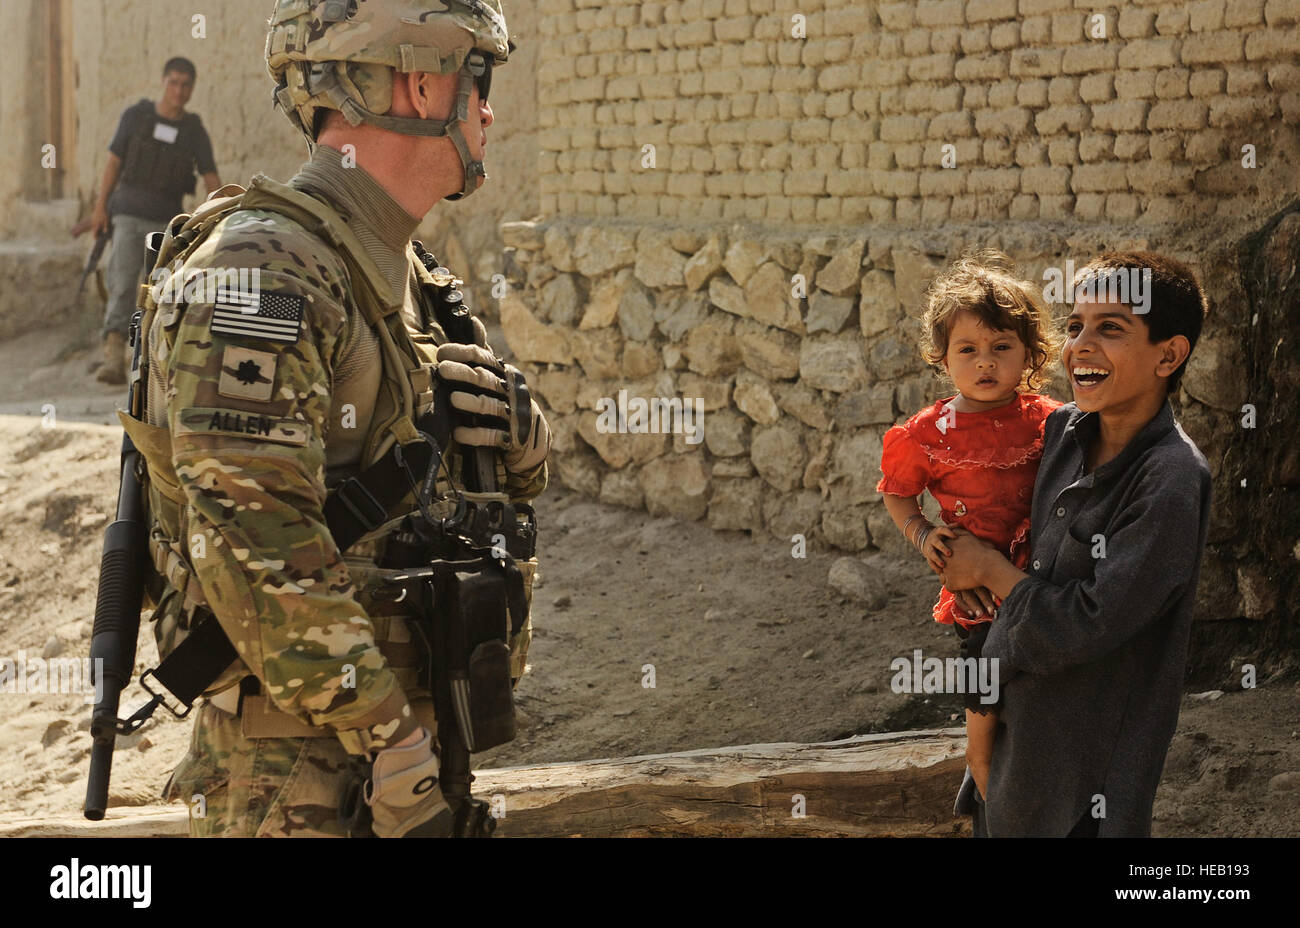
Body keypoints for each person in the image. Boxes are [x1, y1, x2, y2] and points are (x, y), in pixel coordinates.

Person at [124, 0, 550, 836]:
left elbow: (446, 489)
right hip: (304, 782)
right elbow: (253, 546)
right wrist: (392, 753)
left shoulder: (407, 271)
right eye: (478, 80)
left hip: (412, 756)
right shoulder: (259, 273)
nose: (489, 110)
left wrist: (523, 443)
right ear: (421, 86)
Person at [944, 252, 1212, 837]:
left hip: (1088, 788)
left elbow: (1089, 622)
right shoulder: (1060, 435)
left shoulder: (1169, 478)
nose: (1080, 346)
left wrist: (988, 570)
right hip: (1015, 753)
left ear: (1169, 354)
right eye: (1074, 326)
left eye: (1110, 328)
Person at [877, 253, 1061, 803]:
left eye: (1002, 347)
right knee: (984, 682)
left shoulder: (1050, 418)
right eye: (968, 350)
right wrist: (922, 534)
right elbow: (897, 494)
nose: (986, 362)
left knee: (1037, 683)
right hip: (975, 587)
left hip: (1040, 578)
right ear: (942, 358)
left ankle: (1036, 776)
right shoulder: (926, 434)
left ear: (1029, 353)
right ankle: (981, 775)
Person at [86, 56, 220, 385]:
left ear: (192, 89)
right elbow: (113, 164)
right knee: (120, 285)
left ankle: (149, 362)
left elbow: (211, 177)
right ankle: (113, 359)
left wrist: (218, 217)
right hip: (128, 216)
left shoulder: (193, 130)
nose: (178, 90)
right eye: (173, 82)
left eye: (185, 85)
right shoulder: (137, 117)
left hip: (165, 222)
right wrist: (100, 207)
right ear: (163, 82)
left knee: (160, 291)